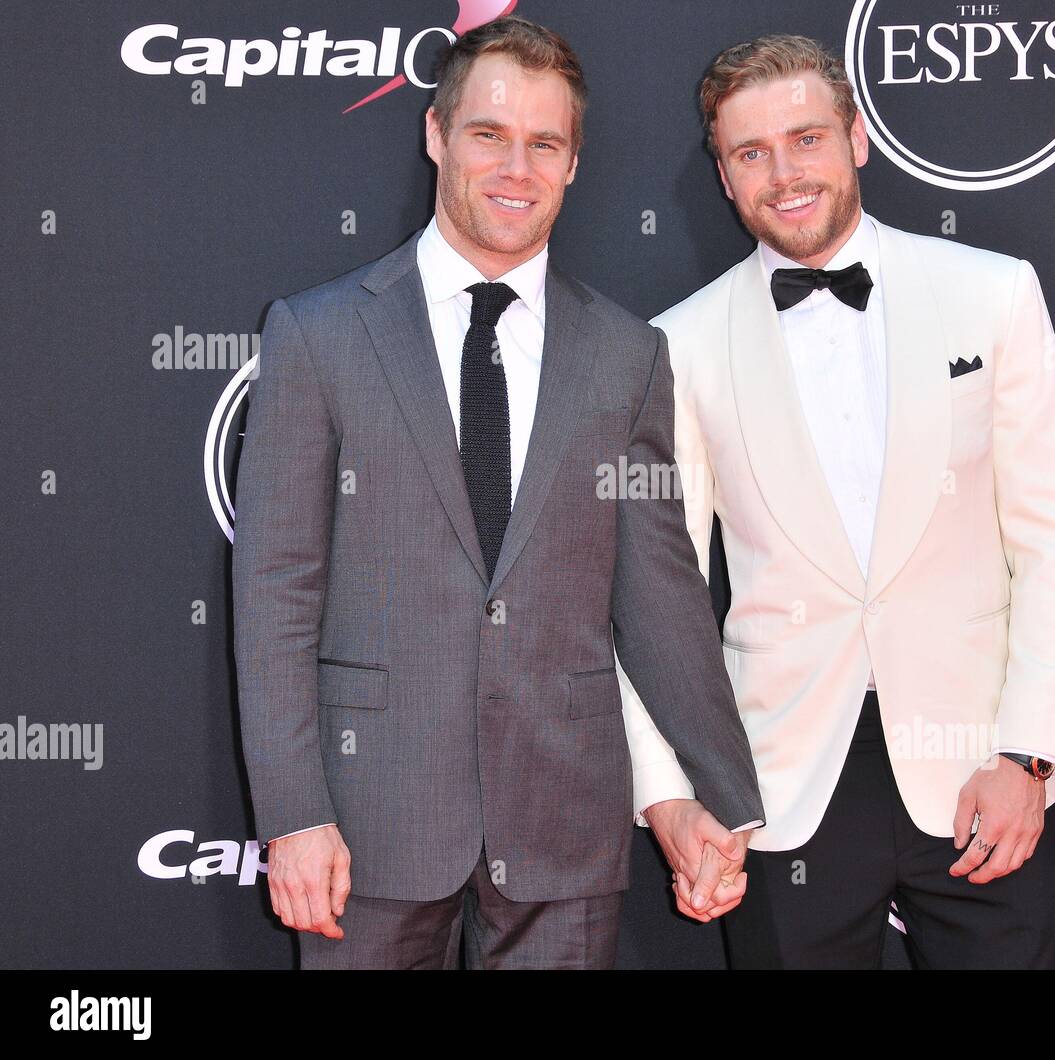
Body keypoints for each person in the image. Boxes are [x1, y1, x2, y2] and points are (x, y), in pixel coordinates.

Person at [232, 15, 763, 970]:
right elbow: (276, 592)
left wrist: (725, 794)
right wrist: (294, 815)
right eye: (489, 134)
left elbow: (659, 594)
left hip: (565, 825)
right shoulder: (316, 336)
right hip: (369, 826)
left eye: (544, 144)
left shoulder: (628, 357)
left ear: (571, 162)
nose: (516, 168)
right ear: (437, 135)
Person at [621, 34, 1055, 968]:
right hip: (779, 791)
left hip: (979, 777)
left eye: (806, 139)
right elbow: (652, 601)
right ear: (722, 177)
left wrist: (1031, 758)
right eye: (750, 153)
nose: (784, 174)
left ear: (857, 140)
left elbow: (1053, 540)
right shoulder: (676, 345)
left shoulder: (993, 294)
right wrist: (669, 794)